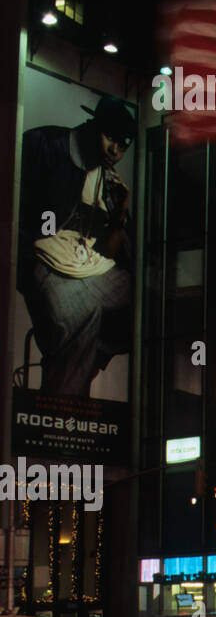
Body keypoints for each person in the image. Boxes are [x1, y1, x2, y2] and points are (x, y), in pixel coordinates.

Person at [16, 96, 135, 397]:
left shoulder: (110, 180)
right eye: (110, 138)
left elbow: (111, 249)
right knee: (78, 327)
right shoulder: (48, 144)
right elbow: (26, 214)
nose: (115, 151)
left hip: (90, 265)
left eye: (123, 145)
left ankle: (82, 365)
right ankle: (66, 404)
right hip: (46, 260)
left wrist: (120, 213)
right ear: (94, 127)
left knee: (148, 307)